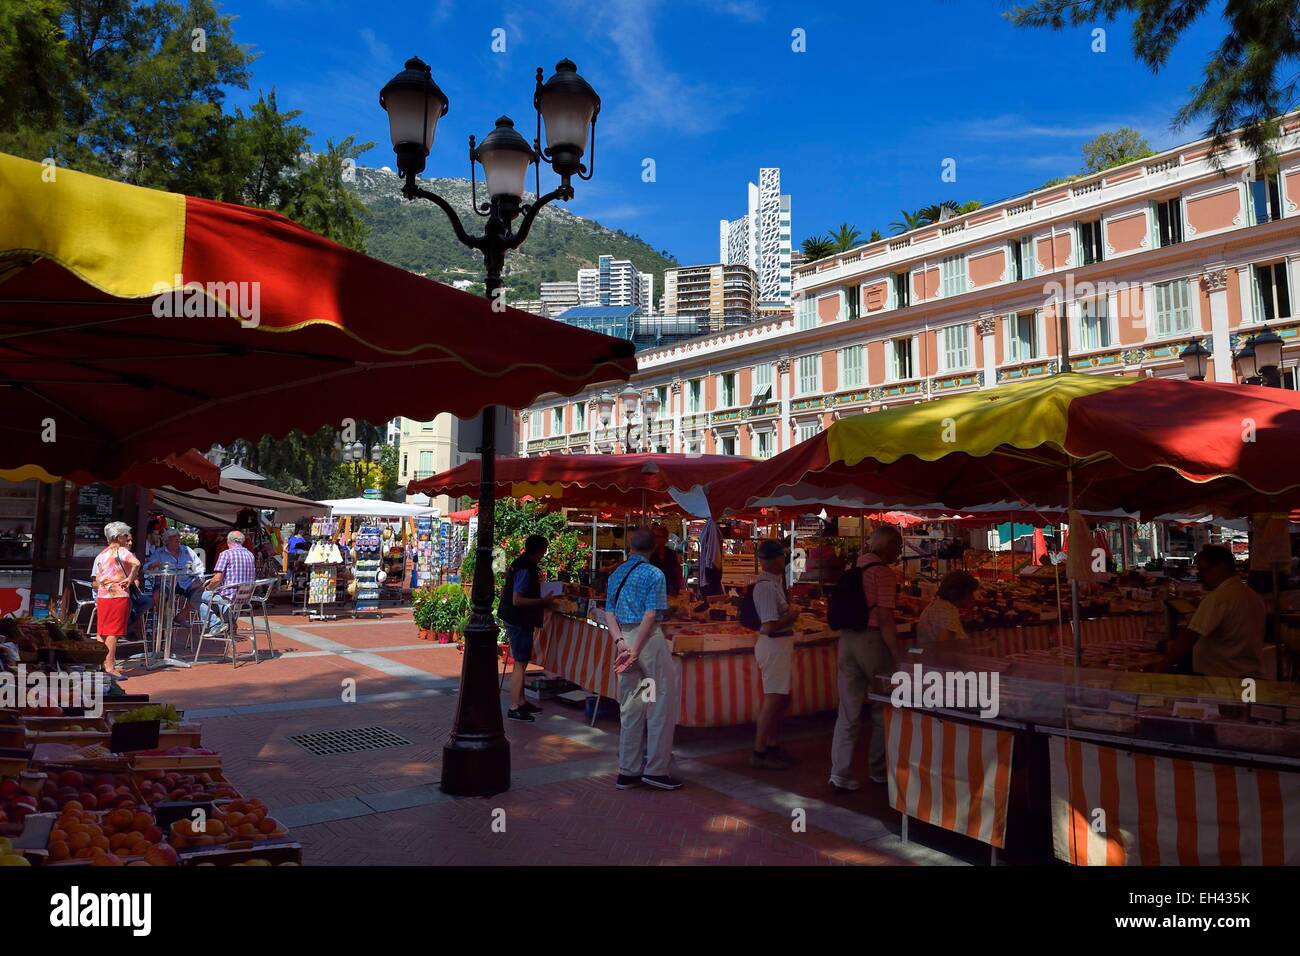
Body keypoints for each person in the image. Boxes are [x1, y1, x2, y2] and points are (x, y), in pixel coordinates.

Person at [604, 527, 682, 791]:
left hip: (623, 637)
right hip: (647, 640)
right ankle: (656, 769)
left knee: (630, 705)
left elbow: (608, 613)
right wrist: (636, 648)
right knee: (660, 703)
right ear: (653, 548)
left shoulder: (617, 573)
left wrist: (620, 643)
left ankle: (628, 769)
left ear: (631, 546)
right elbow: (651, 615)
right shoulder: (654, 574)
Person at [829, 524, 904, 792]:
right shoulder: (883, 574)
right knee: (882, 706)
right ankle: (877, 769)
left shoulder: (854, 568)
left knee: (848, 710)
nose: (899, 552)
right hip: (871, 640)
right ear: (888, 546)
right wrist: (896, 652)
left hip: (847, 640)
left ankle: (840, 773)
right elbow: (885, 618)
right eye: (898, 546)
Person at [1157, 544, 1265, 678]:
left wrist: (1162, 667)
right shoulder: (1253, 596)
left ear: (1221, 567)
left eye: (1203, 571)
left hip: (1222, 677)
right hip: (1248, 677)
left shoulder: (1219, 597)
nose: (1200, 577)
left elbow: (1190, 636)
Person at [750, 539, 802, 769]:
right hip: (774, 646)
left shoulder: (774, 583)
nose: (785, 560)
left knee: (780, 699)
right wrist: (792, 616)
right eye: (782, 556)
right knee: (773, 700)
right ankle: (760, 752)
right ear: (775, 560)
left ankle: (771, 745)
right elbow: (769, 626)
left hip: (779, 646)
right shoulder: (765, 587)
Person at [497, 535, 554, 722]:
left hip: (515, 617)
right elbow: (517, 599)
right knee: (520, 663)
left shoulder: (519, 563)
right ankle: (515, 706)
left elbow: (509, 593)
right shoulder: (525, 568)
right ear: (538, 550)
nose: (544, 554)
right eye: (544, 550)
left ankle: (521, 702)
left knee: (522, 661)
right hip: (519, 619)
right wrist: (542, 601)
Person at [91, 522, 140, 678]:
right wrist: (130, 579)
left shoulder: (102, 554)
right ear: (119, 537)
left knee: (102, 631)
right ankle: (110, 666)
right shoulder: (121, 551)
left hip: (103, 595)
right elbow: (136, 563)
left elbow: (98, 579)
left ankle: (98, 663)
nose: (128, 539)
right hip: (118, 595)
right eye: (126, 535)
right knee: (113, 632)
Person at [199, 530, 257, 637]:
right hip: (245, 596)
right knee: (208, 602)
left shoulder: (226, 554)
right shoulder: (250, 555)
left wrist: (207, 588)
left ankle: (217, 624)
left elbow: (217, 579)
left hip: (228, 596)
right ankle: (229, 622)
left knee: (196, 597)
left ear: (228, 541)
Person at [145, 528, 206, 620]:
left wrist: (200, 578)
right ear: (167, 541)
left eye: (178, 536)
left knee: (201, 593)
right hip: (166, 582)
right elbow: (146, 568)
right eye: (174, 536)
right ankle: (163, 619)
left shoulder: (187, 550)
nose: (178, 538)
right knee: (157, 595)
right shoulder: (159, 553)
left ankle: (181, 616)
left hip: (185, 582)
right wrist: (152, 565)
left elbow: (199, 565)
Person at [916, 570, 979, 645]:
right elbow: (944, 648)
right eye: (970, 593)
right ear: (960, 592)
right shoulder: (948, 612)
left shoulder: (938, 604)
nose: (972, 597)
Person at [649, 523, 683, 597]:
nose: (656, 539)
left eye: (658, 537)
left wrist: (678, 588)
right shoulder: (648, 555)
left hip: (670, 592)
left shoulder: (672, 554)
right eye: (654, 537)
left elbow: (678, 573)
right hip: (653, 593)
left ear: (665, 539)